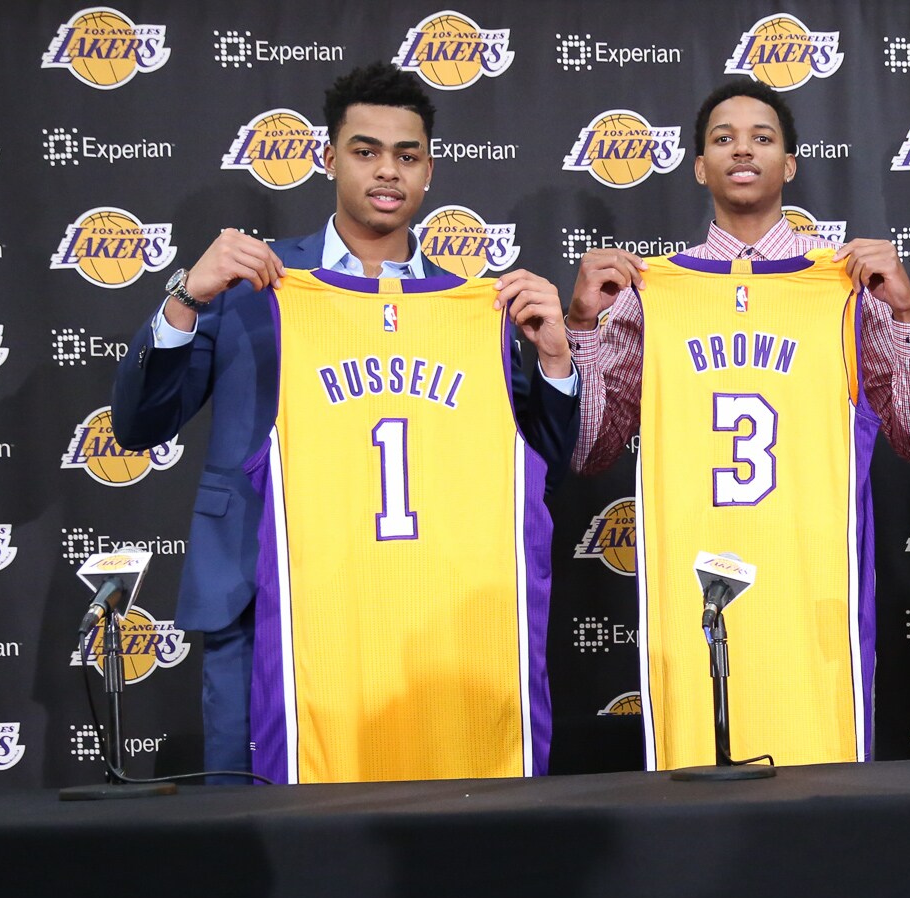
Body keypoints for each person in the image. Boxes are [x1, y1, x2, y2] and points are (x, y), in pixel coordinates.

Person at [112, 62, 577, 781]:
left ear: (429, 173)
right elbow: (137, 427)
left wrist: (552, 355)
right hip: (257, 596)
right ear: (328, 158)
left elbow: (546, 453)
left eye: (407, 155)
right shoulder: (250, 286)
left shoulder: (471, 306)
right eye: (365, 151)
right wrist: (183, 299)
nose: (386, 171)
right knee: (255, 833)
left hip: (421, 608)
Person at [566, 80, 910, 769]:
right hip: (689, 595)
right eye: (723, 138)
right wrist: (584, 328)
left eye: (762, 137)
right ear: (698, 165)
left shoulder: (846, 286)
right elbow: (591, 451)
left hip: (813, 595)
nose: (743, 149)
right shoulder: (648, 293)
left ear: (791, 164)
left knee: (818, 806)